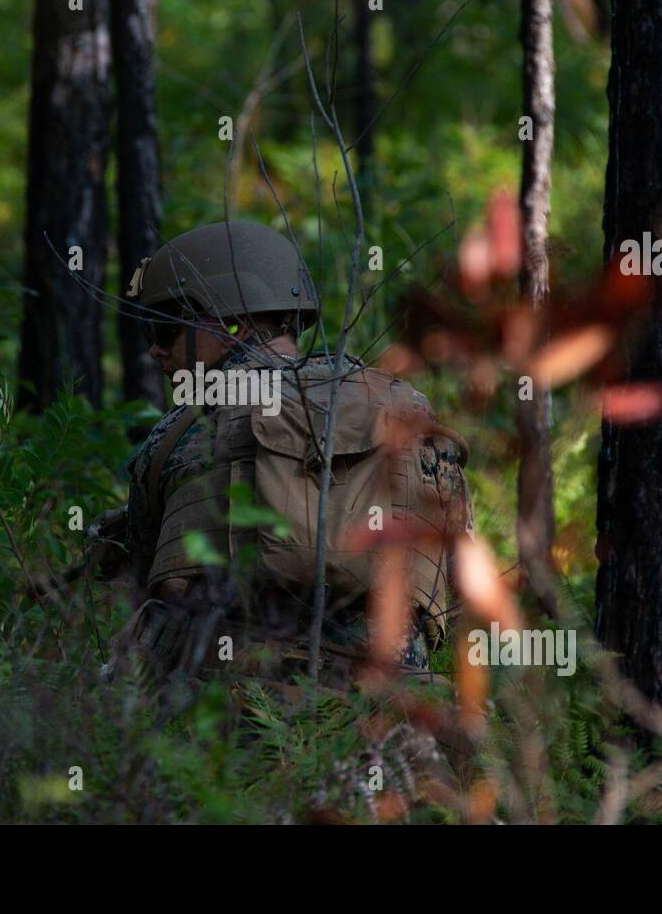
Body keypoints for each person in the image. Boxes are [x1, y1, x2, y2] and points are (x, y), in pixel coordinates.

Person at [104, 220, 473, 704]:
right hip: (393, 725)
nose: (155, 348)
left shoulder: (180, 433)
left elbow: (141, 585)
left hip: (224, 730)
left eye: (167, 327)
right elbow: (465, 588)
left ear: (230, 322)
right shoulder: (410, 414)